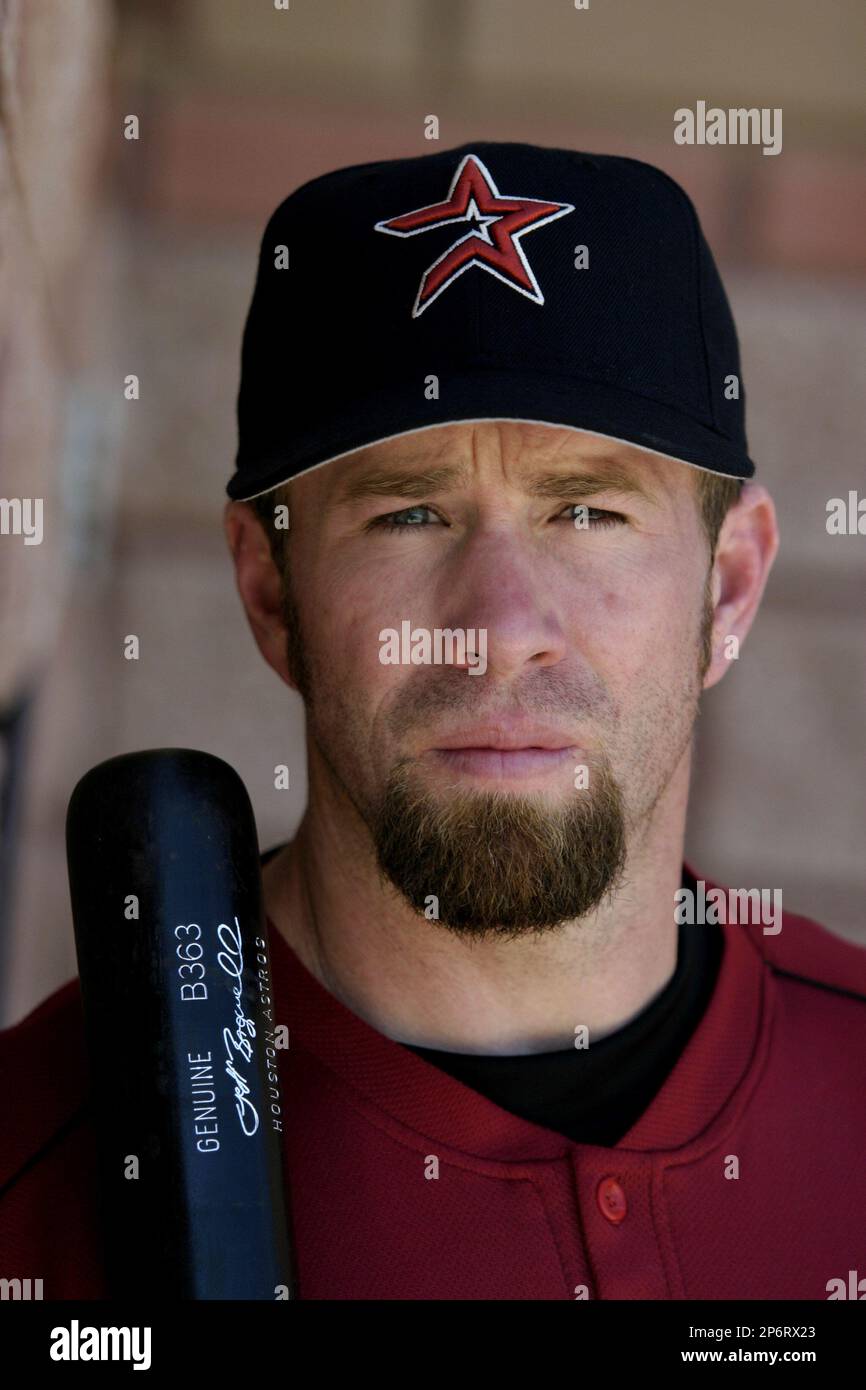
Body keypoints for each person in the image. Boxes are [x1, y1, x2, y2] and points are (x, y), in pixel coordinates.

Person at [1, 142, 863, 1300]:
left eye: (590, 510)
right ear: (270, 590)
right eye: (406, 512)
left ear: (730, 585)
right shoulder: (29, 1182)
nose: (500, 627)